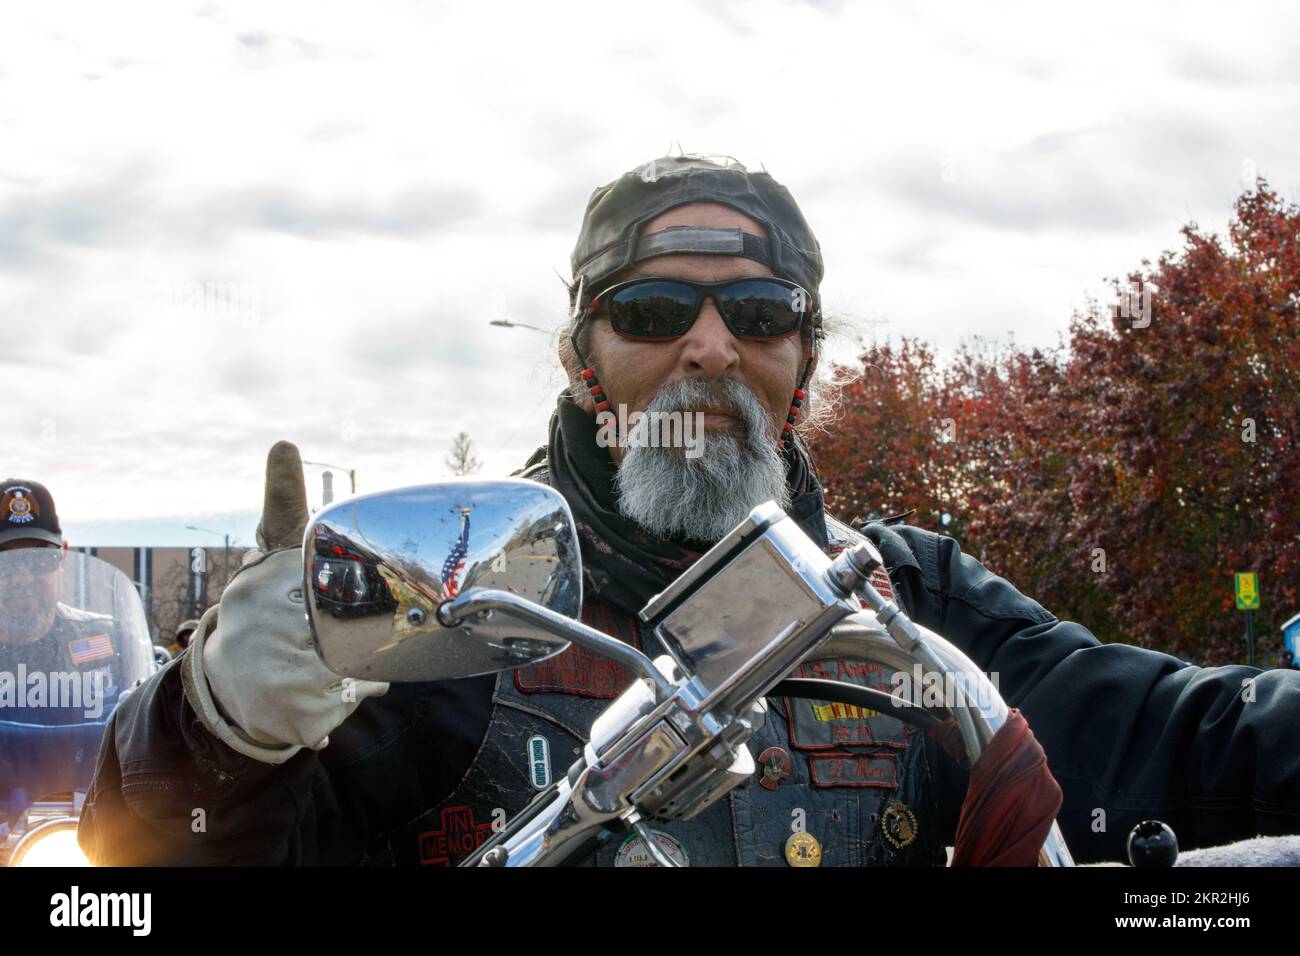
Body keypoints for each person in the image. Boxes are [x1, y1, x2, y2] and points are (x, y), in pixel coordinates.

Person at [78, 156, 1300, 867]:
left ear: (804, 362)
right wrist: (215, 728)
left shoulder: (907, 600)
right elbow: (151, 865)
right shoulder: (453, 602)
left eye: (761, 312)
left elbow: (1187, 740)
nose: (710, 346)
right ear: (583, 363)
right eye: (656, 312)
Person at [0, 479, 124, 722]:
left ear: (63, 556)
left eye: (40, 558)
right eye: (6, 563)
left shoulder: (106, 641)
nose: (23, 578)